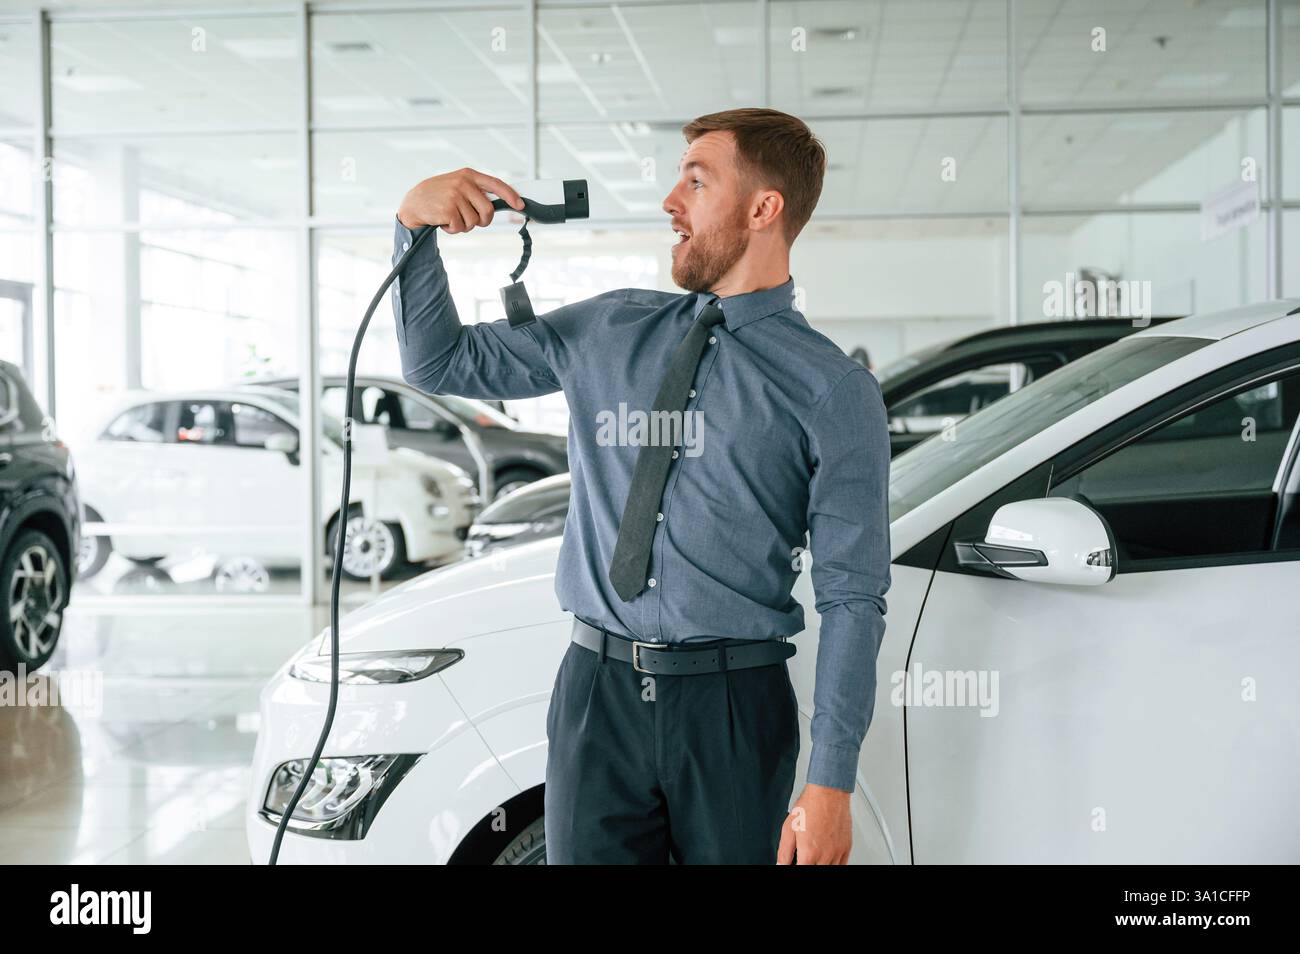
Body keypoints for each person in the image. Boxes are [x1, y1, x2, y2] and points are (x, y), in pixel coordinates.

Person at [391, 107, 891, 865]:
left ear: (763, 209)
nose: (670, 201)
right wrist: (414, 227)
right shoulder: (607, 330)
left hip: (735, 710)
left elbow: (855, 595)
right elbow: (440, 365)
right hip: (596, 695)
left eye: (696, 181)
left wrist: (831, 783)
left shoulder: (832, 390)